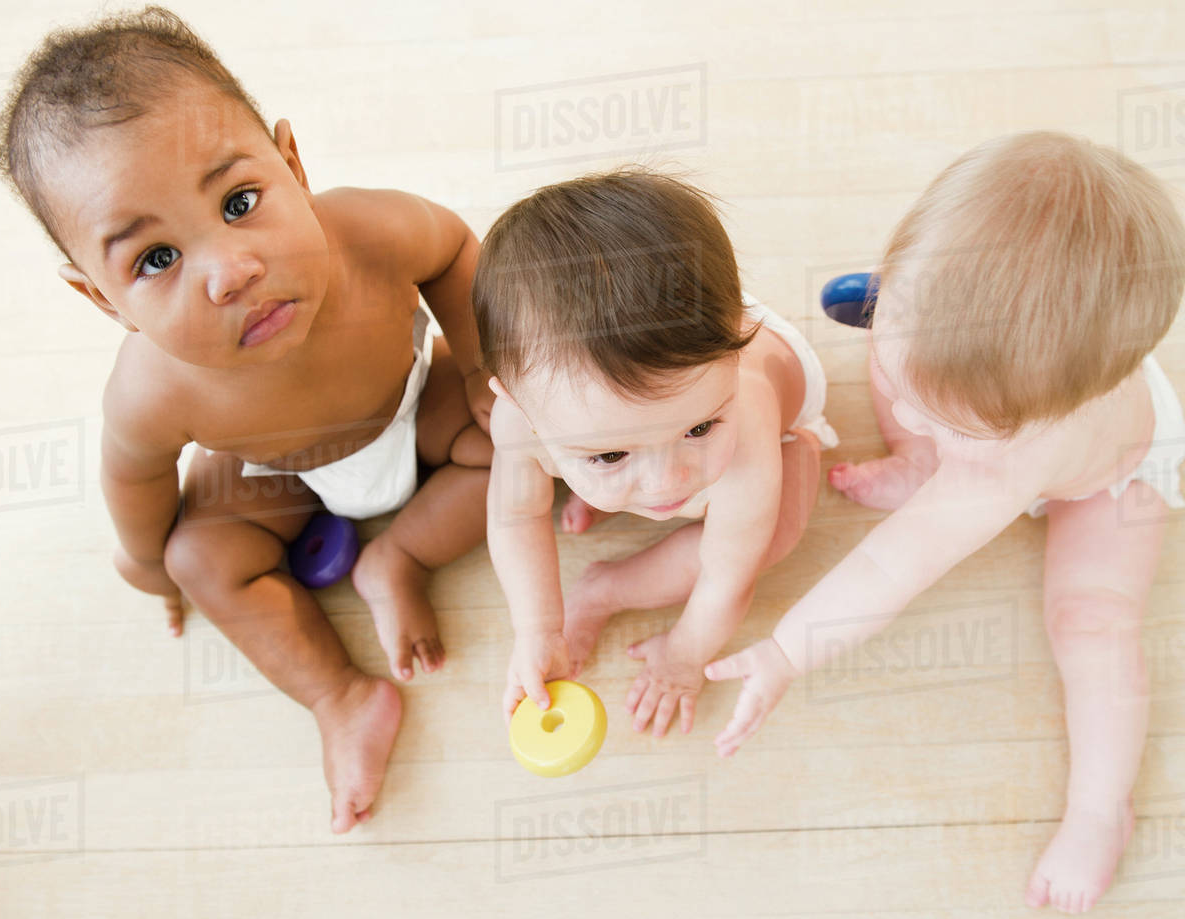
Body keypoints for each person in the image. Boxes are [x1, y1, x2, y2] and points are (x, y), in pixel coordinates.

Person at [0, 6, 493, 833]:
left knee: (513, 440)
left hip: (409, 403)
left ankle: (398, 559)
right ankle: (339, 696)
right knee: (201, 555)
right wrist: (151, 559)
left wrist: (477, 365)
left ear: (291, 164)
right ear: (102, 299)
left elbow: (454, 252)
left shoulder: (370, 230)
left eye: (239, 200)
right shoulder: (153, 389)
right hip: (277, 468)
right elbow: (135, 472)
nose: (230, 271)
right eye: (156, 260)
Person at [705, 131, 1185, 913]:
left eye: (949, 423)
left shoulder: (1012, 455)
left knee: (1094, 622)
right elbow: (930, 375)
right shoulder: (934, 328)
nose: (916, 410)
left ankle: (1103, 809)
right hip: (982, 388)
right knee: (906, 372)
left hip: (1108, 476)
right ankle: (921, 440)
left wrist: (787, 649)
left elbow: (888, 568)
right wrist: (918, 387)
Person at [473, 169, 837, 737]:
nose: (670, 483)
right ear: (517, 404)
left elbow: (726, 577)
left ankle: (607, 586)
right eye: (611, 455)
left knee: (774, 533)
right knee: (604, 450)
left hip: (776, 415)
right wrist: (538, 629)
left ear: (731, 362)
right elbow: (515, 514)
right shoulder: (522, 420)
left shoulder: (746, 413)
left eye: (698, 430)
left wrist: (686, 656)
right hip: (661, 390)